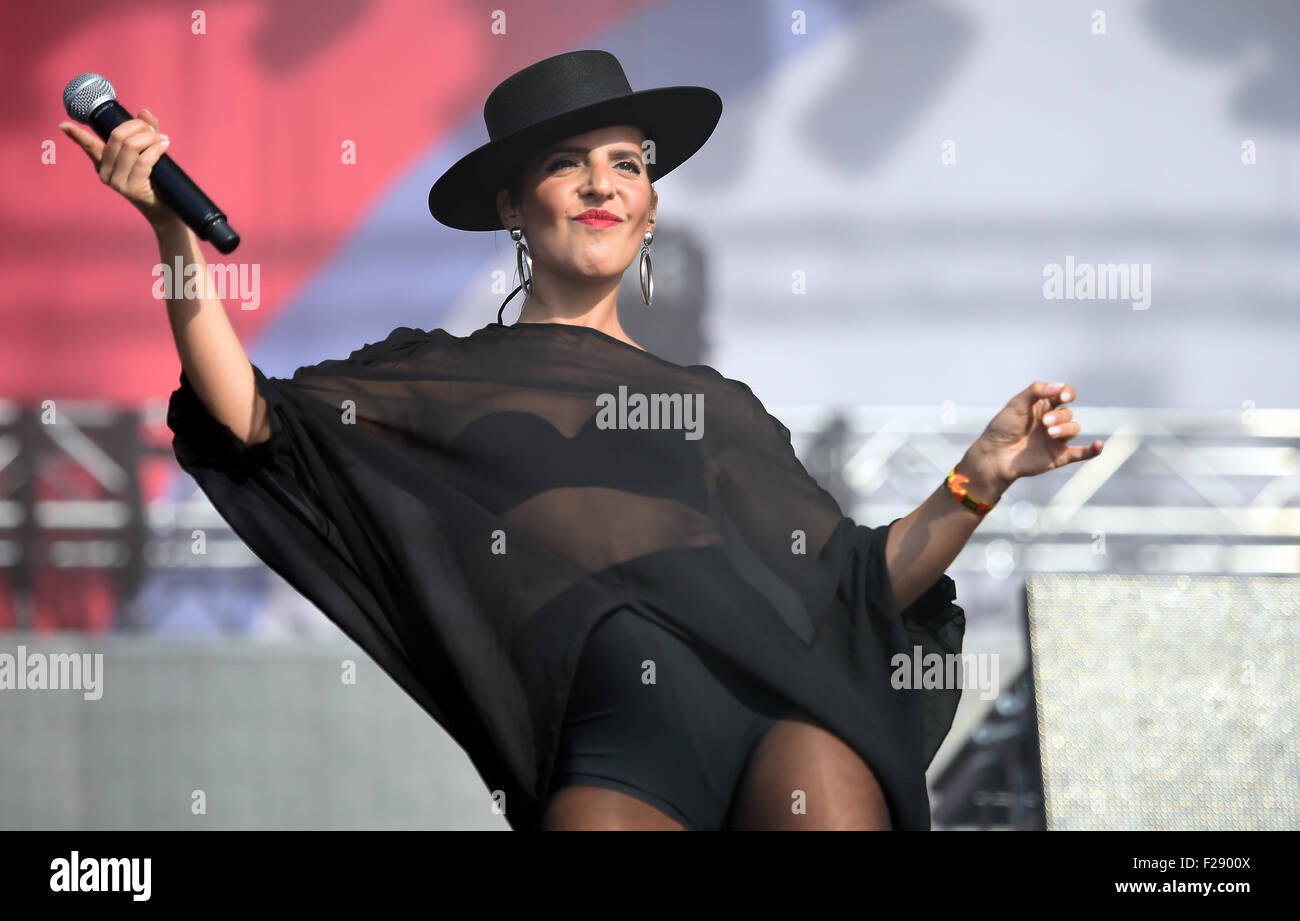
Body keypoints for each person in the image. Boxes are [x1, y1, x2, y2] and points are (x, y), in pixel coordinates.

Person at [59, 49, 1103, 831]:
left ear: (649, 210)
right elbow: (245, 417)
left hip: (778, 702)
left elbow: (858, 584)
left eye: (626, 166)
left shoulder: (714, 403)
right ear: (515, 206)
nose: (603, 185)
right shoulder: (430, 376)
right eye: (569, 165)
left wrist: (979, 478)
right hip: (605, 740)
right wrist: (172, 234)